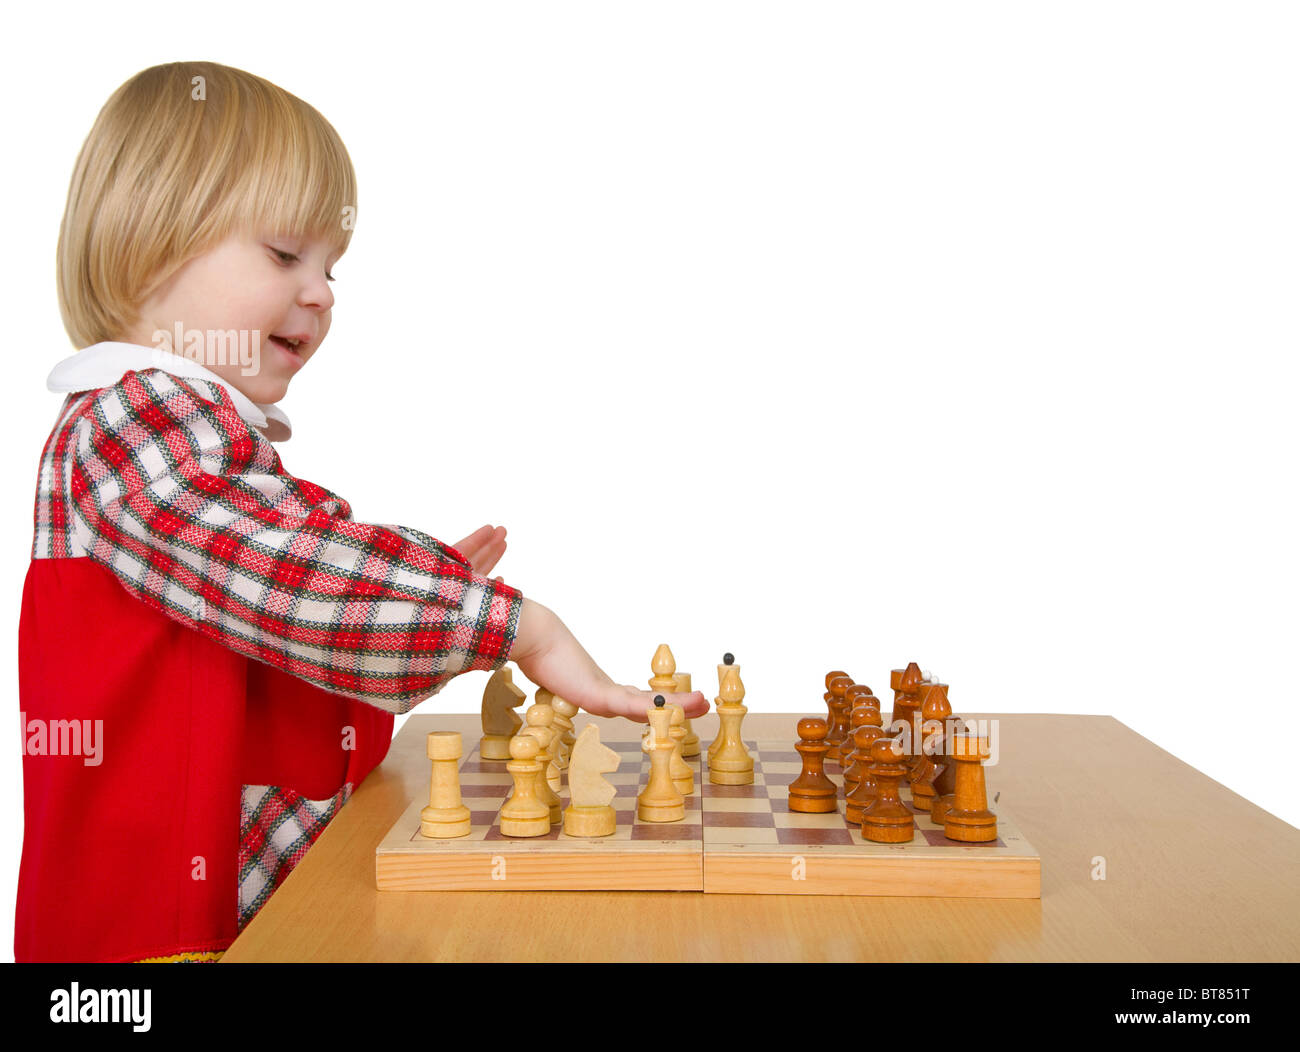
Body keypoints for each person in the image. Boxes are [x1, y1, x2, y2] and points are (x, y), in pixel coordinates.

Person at [16, 60, 706, 963]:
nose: (323, 292)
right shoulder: (134, 422)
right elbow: (289, 582)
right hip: (147, 951)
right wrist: (509, 627)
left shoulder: (187, 435)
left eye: (332, 266)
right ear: (151, 237)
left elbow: (289, 598)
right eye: (282, 254)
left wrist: (426, 585)